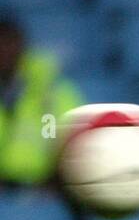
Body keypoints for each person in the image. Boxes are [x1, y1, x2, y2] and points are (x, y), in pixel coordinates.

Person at [0, 17, 82, 189]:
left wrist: (57, 178)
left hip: (48, 187)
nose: (4, 52)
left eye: (10, 43)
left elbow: (73, 139)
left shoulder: (53, 91)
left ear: (22, 46)